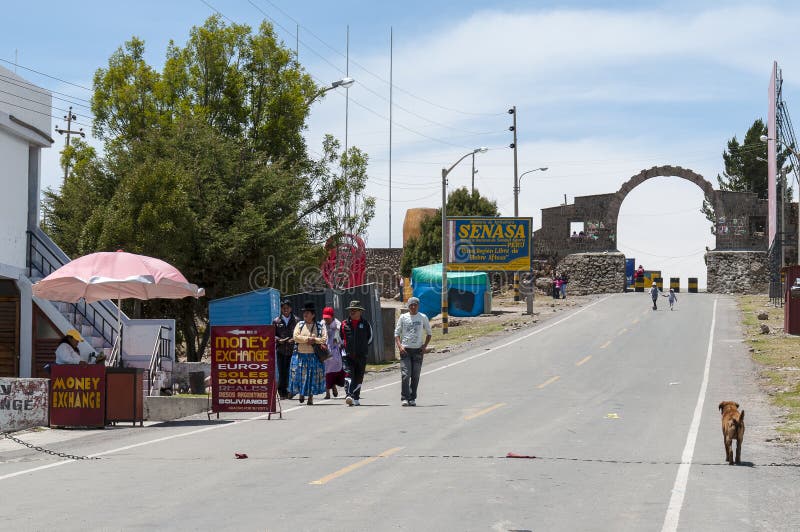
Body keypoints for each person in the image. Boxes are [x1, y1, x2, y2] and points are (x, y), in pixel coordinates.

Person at [394, 296, 432, 407]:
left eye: (415, 305)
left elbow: (429, 333)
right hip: (405, 350)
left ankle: (412, 398)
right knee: (405, 375)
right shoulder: (403, 317)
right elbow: (396, 334)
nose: (413, 307)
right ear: (408, 306)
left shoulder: (423, 317)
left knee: (415, 375)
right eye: (411, 305)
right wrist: (400, 347)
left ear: (418, 306)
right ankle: (404, 398)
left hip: (418, 351)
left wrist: (424, 346)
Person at [289, 301, 327, 405]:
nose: (305, 314)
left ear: (313, 314)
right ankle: (301, 394)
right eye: (304, 312)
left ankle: (310, 397)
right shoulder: (300, 324)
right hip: (301, 356)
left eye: (308, 312)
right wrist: (307, 339)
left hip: (314, 357)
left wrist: (314, 340)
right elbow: (295, 337)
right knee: (300, 377)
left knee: (311, 379)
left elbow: (323, 339)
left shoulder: (319, 326)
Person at [340, 300, 373, 406]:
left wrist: (362, 348)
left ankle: (356, 397)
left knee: (359, 376)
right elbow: (340, 338)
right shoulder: (344, 324)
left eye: (354, 310)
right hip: (348, 355)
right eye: (350, 310)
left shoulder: (365, 324)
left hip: (361, 355)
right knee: (349, 373)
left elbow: (370, 338)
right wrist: (345, 349)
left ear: (360, 312)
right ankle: (348, 395)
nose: (352, 312)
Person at [273, 299, 297, 400]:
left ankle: (291, 391)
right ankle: (282, 392)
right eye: (283, 308)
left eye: (287, 308)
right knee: (282, 371)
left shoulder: (296, 320)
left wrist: (293, 339)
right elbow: (272, 335)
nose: (285, 310)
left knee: (292, 371)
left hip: (293, 350)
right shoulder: (276, 321)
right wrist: (279, 340)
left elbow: (299, 334)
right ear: (281, 309)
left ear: (291, 308)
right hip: (281, 350)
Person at [321, 306, 345, 399]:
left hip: (335, 351)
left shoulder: (338, 325)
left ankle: (334, 385)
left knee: (335, 370)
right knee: (326, 371)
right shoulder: (322, 323)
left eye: (328, 318)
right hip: (325, 350)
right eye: (325, 317)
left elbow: (338, 340)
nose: (326, 319)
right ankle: (327, 393)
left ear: (332, 316)